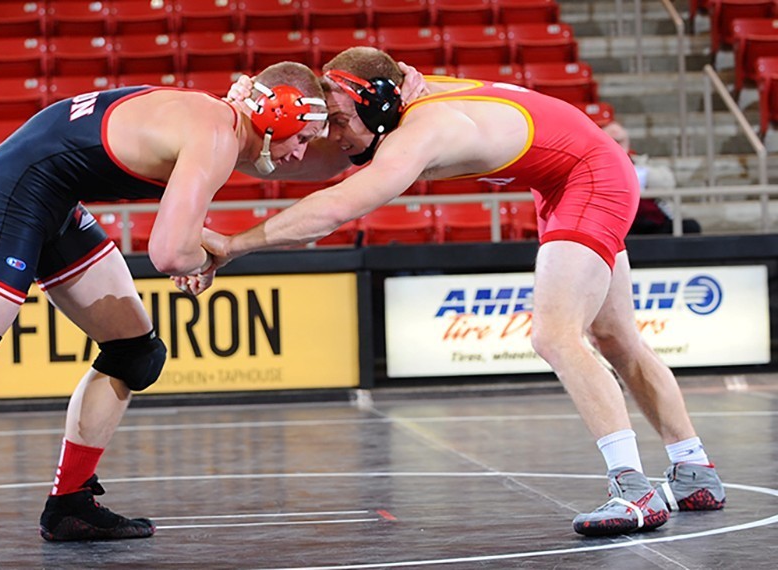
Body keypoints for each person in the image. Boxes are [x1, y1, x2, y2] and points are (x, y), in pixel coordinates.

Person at [0, 61, 335, 568]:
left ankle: (70, 505)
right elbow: (171, 253)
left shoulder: (215, 121)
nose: (300, 153)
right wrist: (207, 258)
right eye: (303, 138)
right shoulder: (217, 134)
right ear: (278, 114)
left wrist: (209, 250)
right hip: (17, 190)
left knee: (135, 353)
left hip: (52, 193)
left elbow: (183, 237)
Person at [185, 47, 727, 537]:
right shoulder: (397, 97)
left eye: (341, 122)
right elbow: (309, 160)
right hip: (572, 175)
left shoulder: (424, 128)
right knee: (614, 336)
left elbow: (334, 208)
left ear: (374, 108)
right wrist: (245, 128)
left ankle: (633, 490)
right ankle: (694, 469)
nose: (333, 135)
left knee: (556, 335)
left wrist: (232, 245)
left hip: (589, 178)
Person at [601, 121, 701, 236]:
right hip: (623, 223)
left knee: (691, 227)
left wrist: (641, 173)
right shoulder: (598, 166)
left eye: (620, 140)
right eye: (613, 140)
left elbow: (668, 183)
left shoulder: (642, 162)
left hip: (655, 219)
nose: (617, 142)